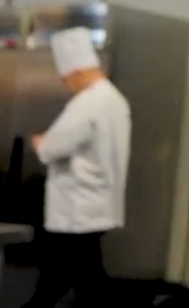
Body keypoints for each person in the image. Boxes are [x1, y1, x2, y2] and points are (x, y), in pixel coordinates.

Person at [24, 26, 132, 308]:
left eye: (65, 79)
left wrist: (39, 141)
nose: (65, 84)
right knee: (80, 277)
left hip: (77, 207)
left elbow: (53, 147)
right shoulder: (114, 100)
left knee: (69, 278)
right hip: (95, 204)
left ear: (76, 72)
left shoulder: (88, 103)